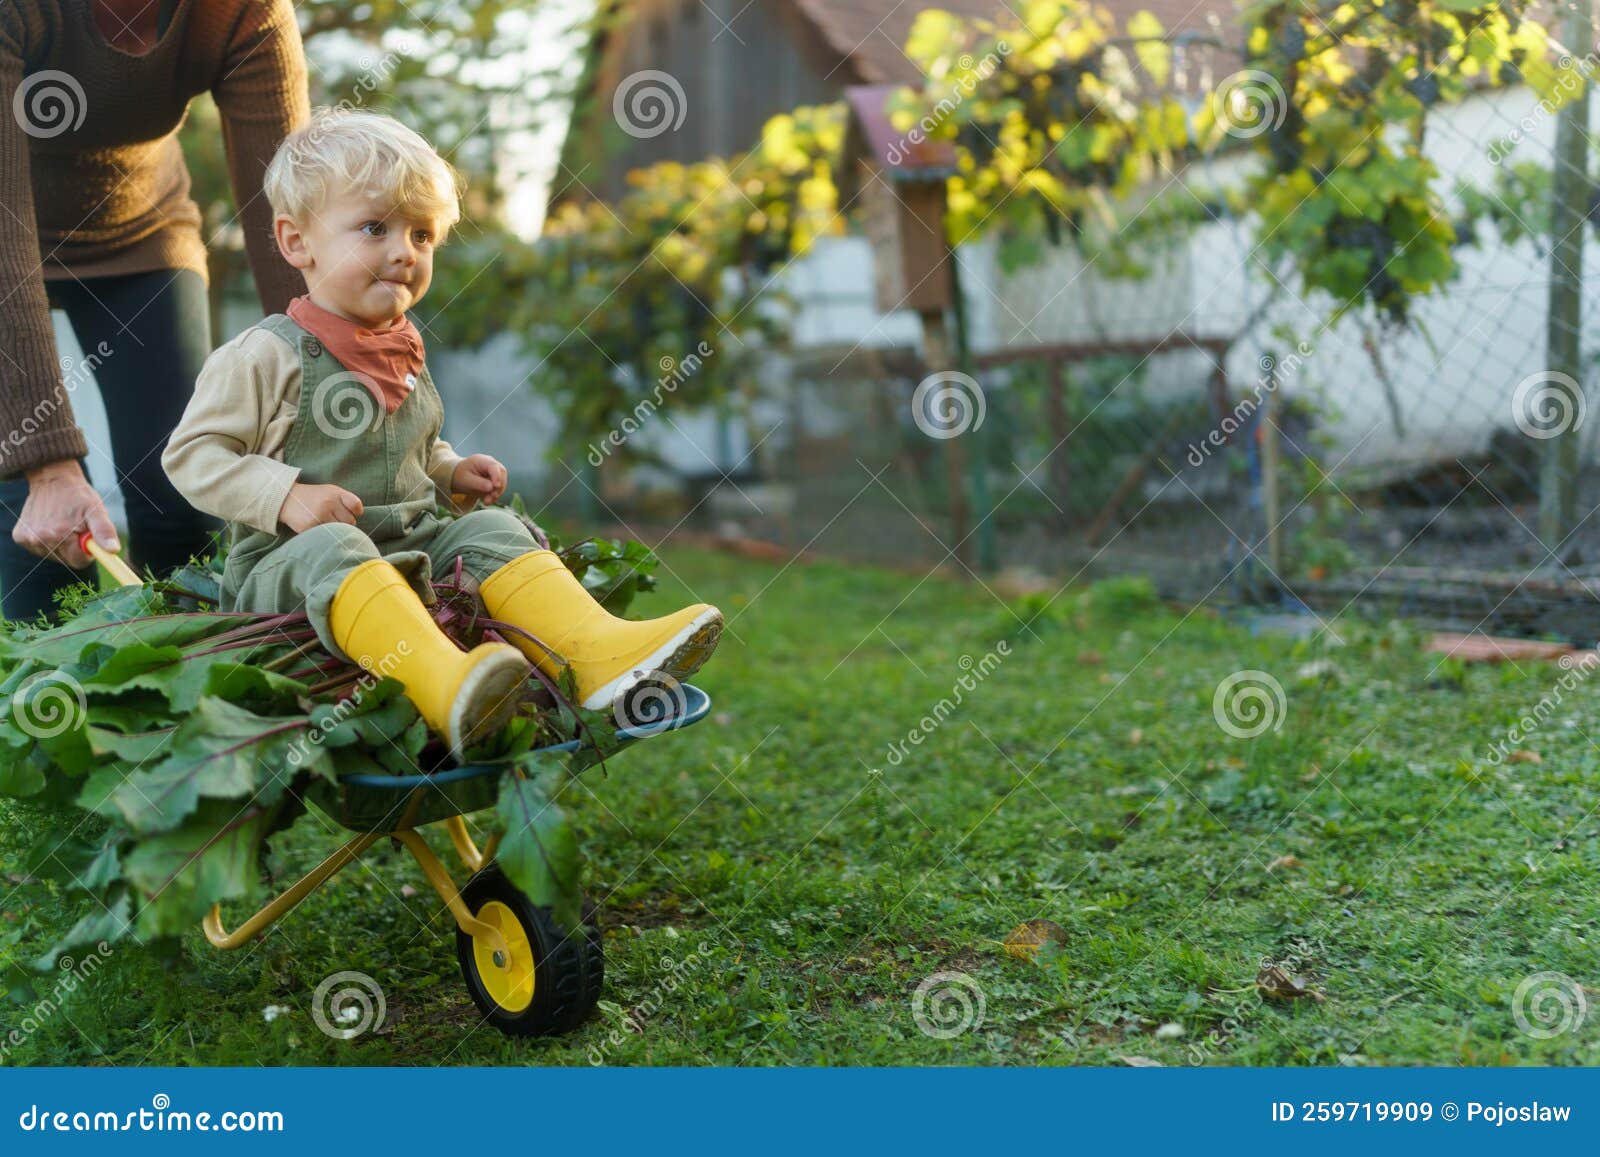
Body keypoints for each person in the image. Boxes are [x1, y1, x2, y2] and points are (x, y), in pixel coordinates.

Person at [163, 109, 723, 756]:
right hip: (289, 568)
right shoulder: (266, 355)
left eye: (422, 235)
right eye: (374, 228)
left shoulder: (403, 348)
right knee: (334, 545)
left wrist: (448, 469)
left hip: (409, 543)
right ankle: (446, 685)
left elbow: (407, 447)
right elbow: (193, 455)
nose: (404, 251)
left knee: (492, 528)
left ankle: (596, 656)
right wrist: (287, 495)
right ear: (296, 243)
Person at [0, 0, 310, 621]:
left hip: (139, 236)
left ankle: (191, 702)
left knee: (184, 508)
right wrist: (47, 462)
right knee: (41, 549)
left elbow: (294, 217)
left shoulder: (244, 11)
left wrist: (328, 397)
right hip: (9, 243)